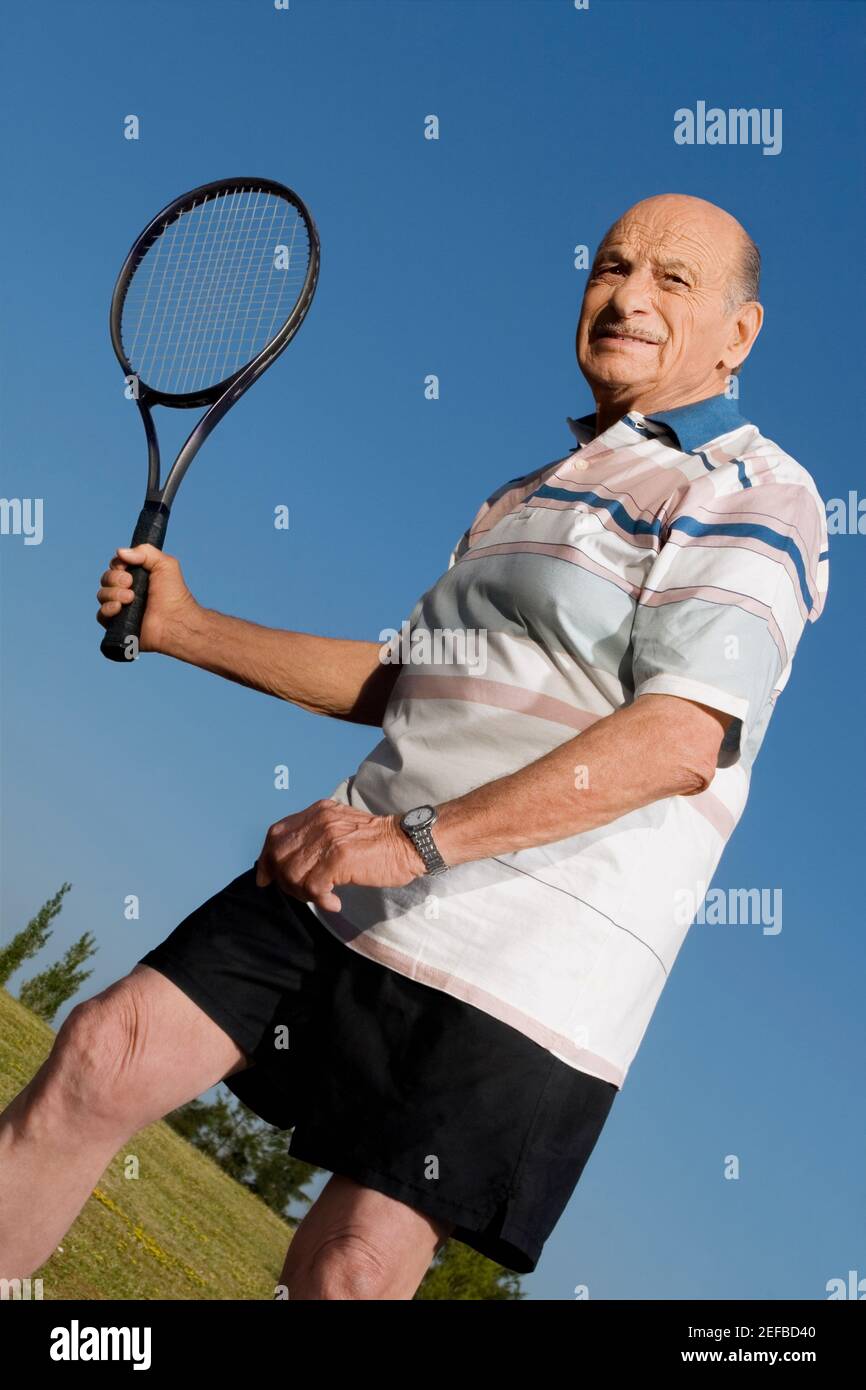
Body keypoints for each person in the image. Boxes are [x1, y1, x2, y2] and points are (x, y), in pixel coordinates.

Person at [0, 194, 828, 1298]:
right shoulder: (519, 496)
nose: (627, 295)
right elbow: (407, 682)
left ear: (739, 333)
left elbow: (677, 739)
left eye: (673, 280)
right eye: (612, 266)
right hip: (347, 871)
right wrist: (184, 628)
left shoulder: (757, 493)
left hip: (530, 963)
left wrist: (411, 840)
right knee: (102, 1053)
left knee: (348, 1268)